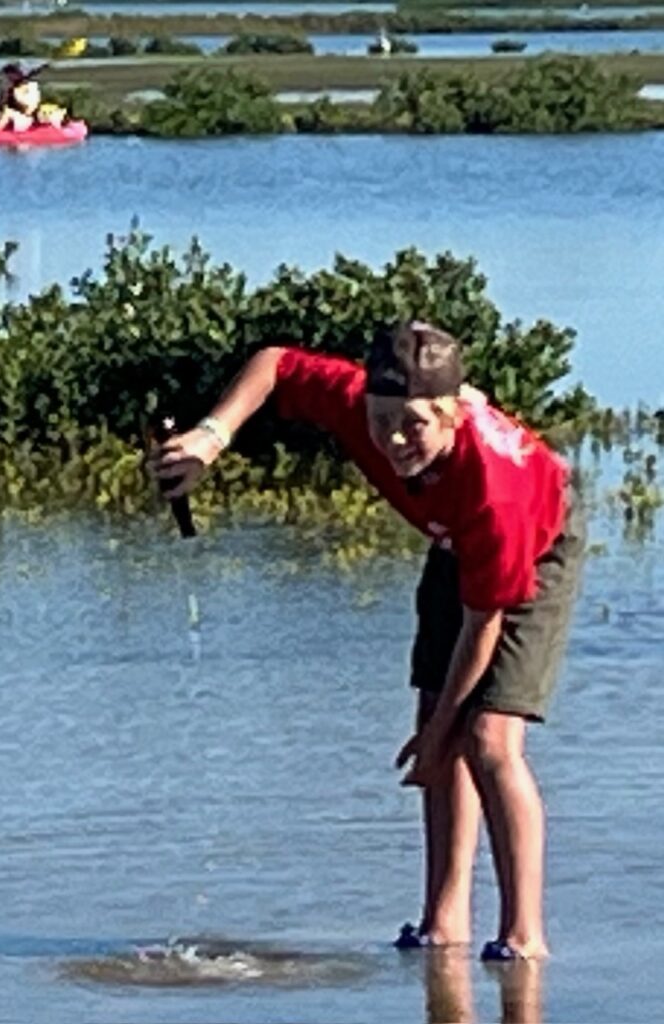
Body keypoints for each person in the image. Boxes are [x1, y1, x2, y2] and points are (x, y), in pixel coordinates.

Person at [148, 321, 585, 962]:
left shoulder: (495, 492)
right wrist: (211, 439)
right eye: (382, 422)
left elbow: (483, 623)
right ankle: (444, 920)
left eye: (414, 425)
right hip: (452, 540)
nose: (395, 440)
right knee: (434, 711)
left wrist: (439, 737)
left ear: (453, 414)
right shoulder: (360, 404)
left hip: (537, 542)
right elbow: (274, 362)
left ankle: (525, 935)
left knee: (486, 737)